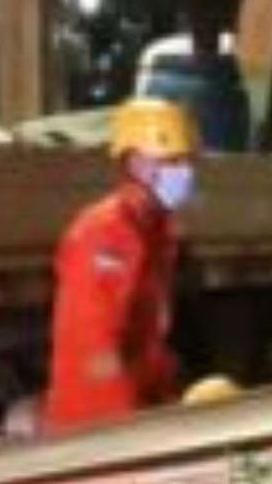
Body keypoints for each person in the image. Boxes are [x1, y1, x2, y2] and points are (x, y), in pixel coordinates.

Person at [43, 98, 201, 434]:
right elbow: (94, 345)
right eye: (172, 161)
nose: (184, 173)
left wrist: (165, 401)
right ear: (135, 164)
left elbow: (147, 337)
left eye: (187, 162)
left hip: (136, 411)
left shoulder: (157, 231)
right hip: (96, 425)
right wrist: (125, 429)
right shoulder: (105, 232)